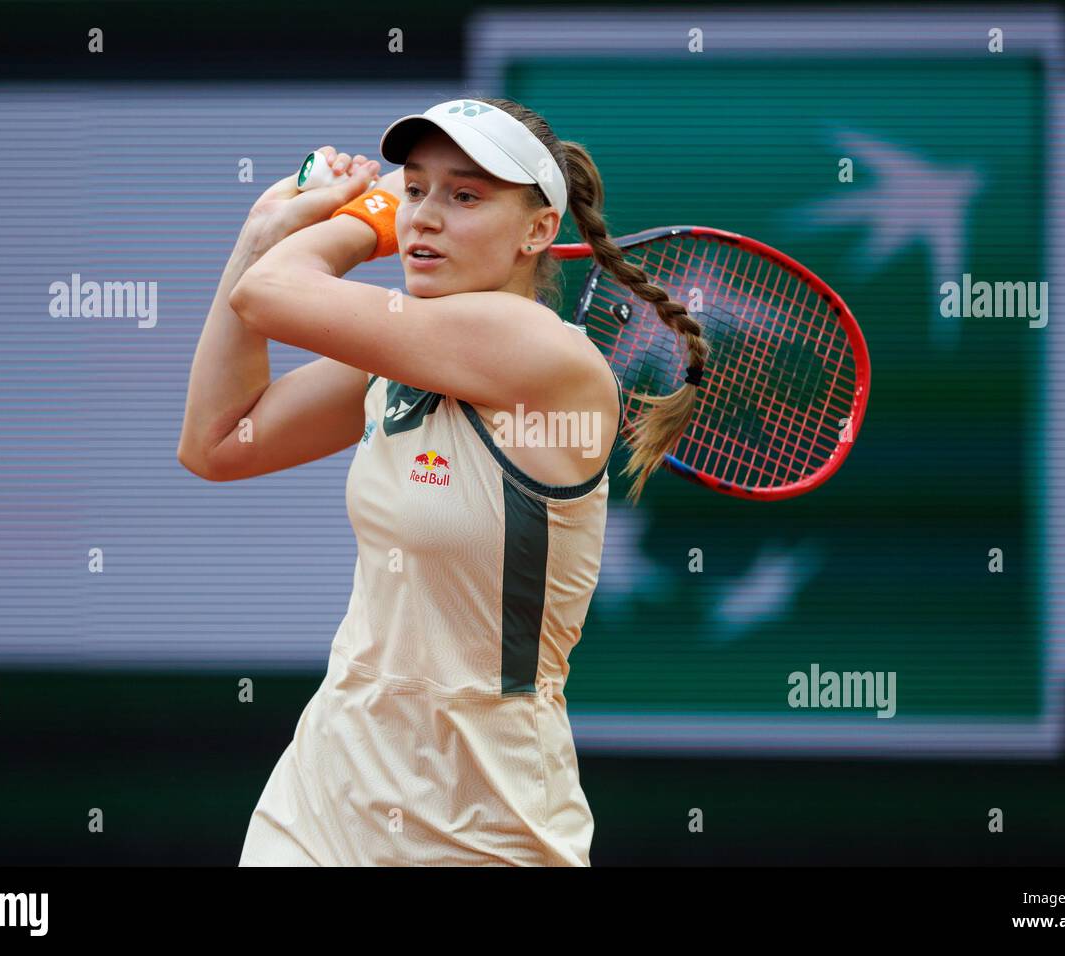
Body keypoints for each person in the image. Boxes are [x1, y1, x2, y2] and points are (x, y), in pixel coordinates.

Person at [176, 96, 706, 865]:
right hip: (319, 811)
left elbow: (271, 293)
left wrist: (368, 215)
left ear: (537, 231)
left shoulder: (542, 353)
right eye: (417, 187)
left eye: (464, 196)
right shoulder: (400, 355)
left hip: (484, 828)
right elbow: (218, 443)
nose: (426, 217)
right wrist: (257, 237)